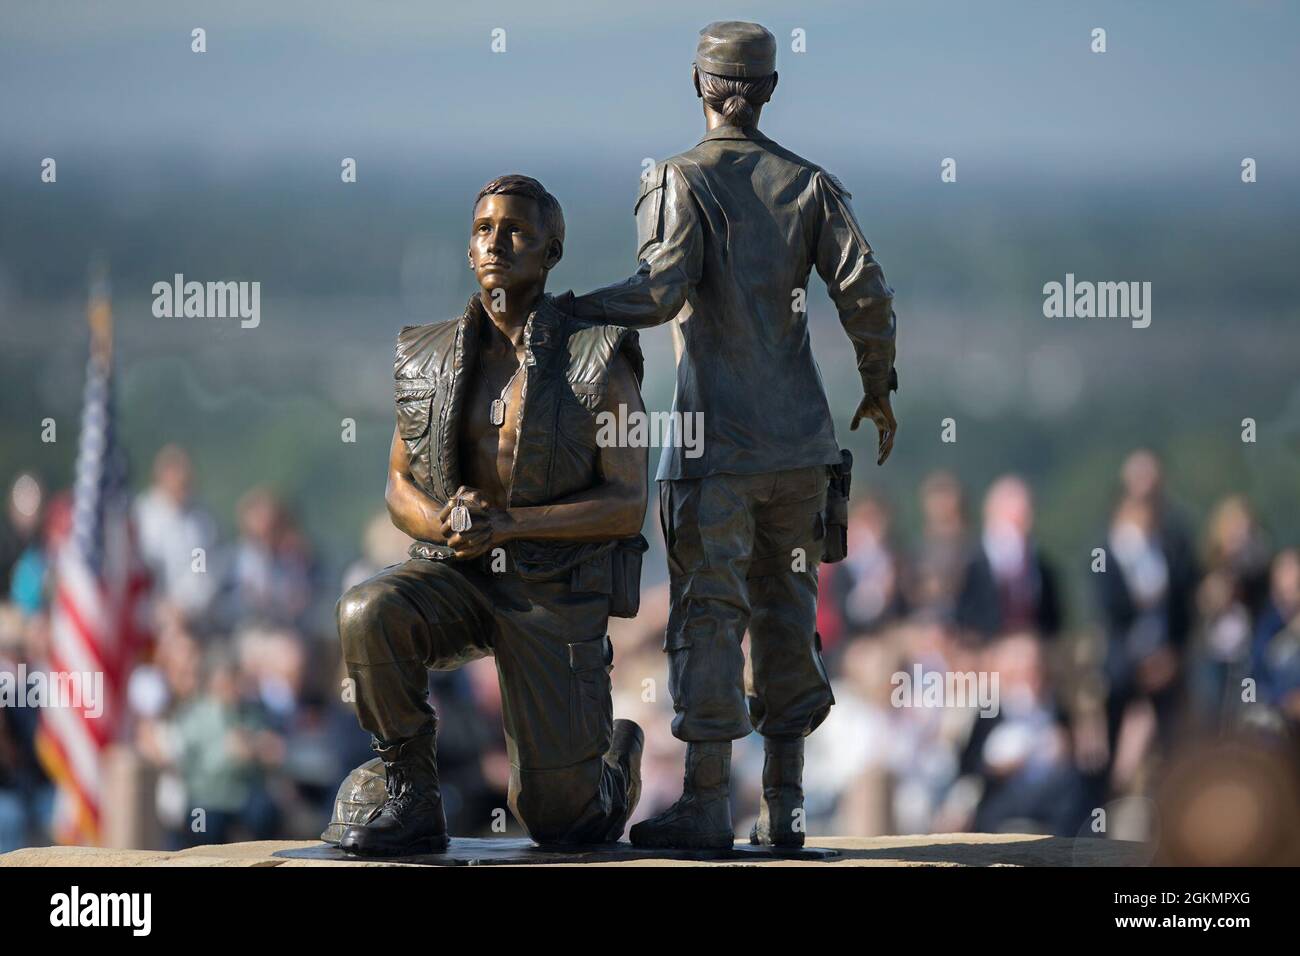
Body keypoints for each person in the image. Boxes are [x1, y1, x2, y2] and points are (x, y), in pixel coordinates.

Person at [571, 21, 900, 849]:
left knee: (709, 615)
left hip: (714, 447)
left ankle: (708, 803)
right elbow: (867, 294)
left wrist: (571, 308)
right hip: (801, 446)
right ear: (771, 89)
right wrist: (877, 387)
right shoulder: (810, 186)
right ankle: (784, 809)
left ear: (697, 84)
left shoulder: (678, 181)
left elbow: (659, 290)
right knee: (788, 612)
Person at [335, 175, 650, 855]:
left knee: (561, 823)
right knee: (368, 610)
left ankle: (614, 762)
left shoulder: (598, 360)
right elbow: (396, 483)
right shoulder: (426, 356)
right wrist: (446, 520)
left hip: (553, 589)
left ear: (551, 252)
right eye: (483, 228)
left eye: (515, 231)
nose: (495, 243)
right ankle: (409, 792)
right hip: (458, 576)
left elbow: (628, 504)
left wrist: (512, 526)